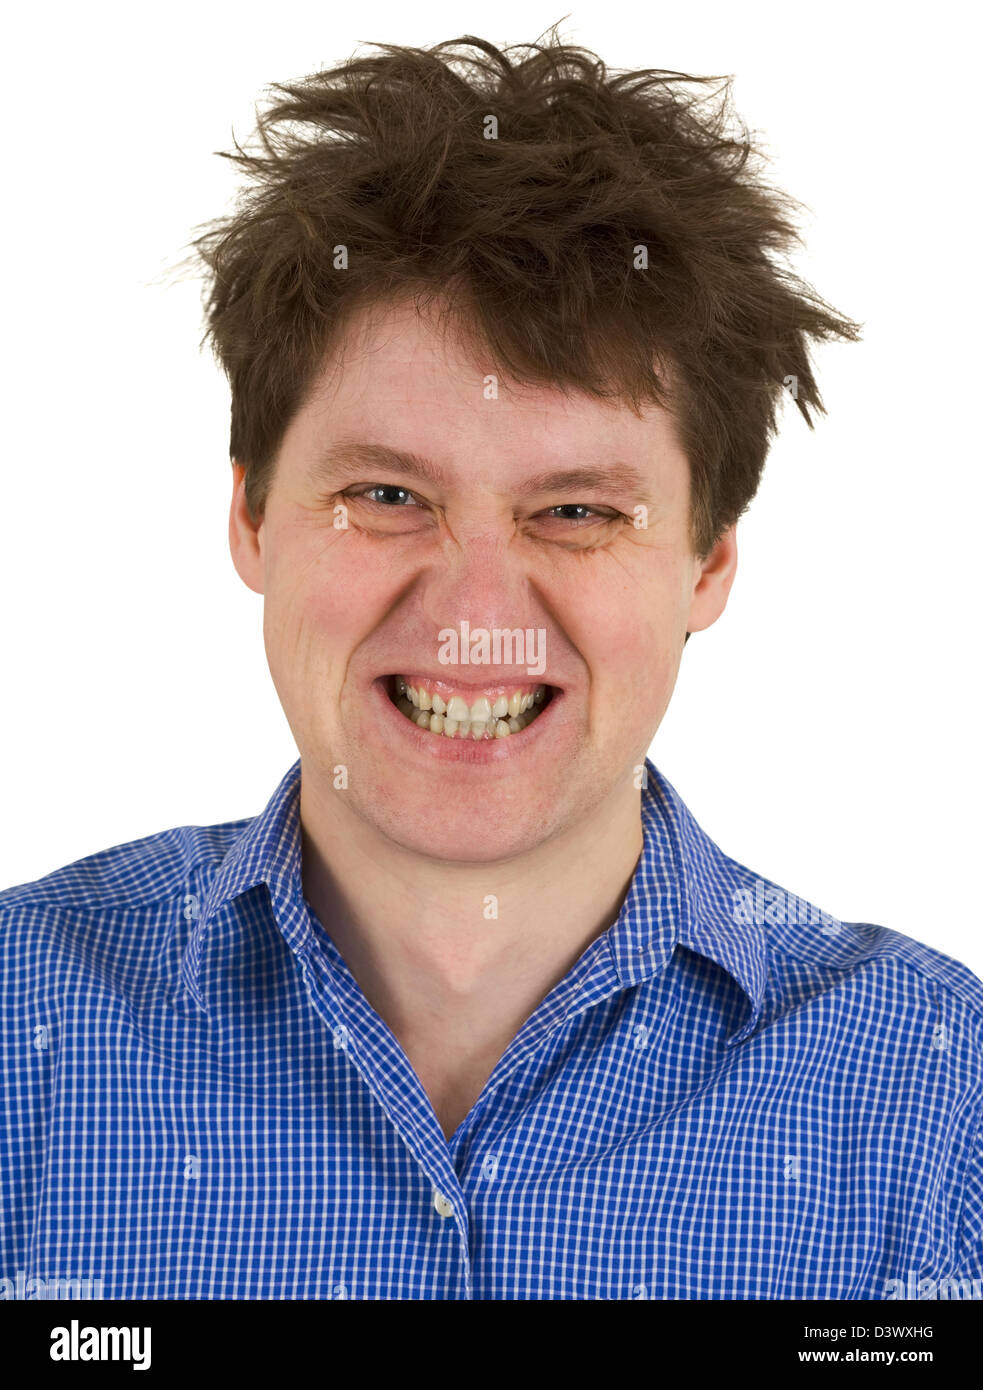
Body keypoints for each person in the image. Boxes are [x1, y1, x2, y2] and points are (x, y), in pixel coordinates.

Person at [2, 28, 981, 1303]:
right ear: (250, 519)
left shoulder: (937, 1093)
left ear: (707, 564)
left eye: (574, 512)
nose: (473, 609)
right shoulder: (19, 1032)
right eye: (388, 492)